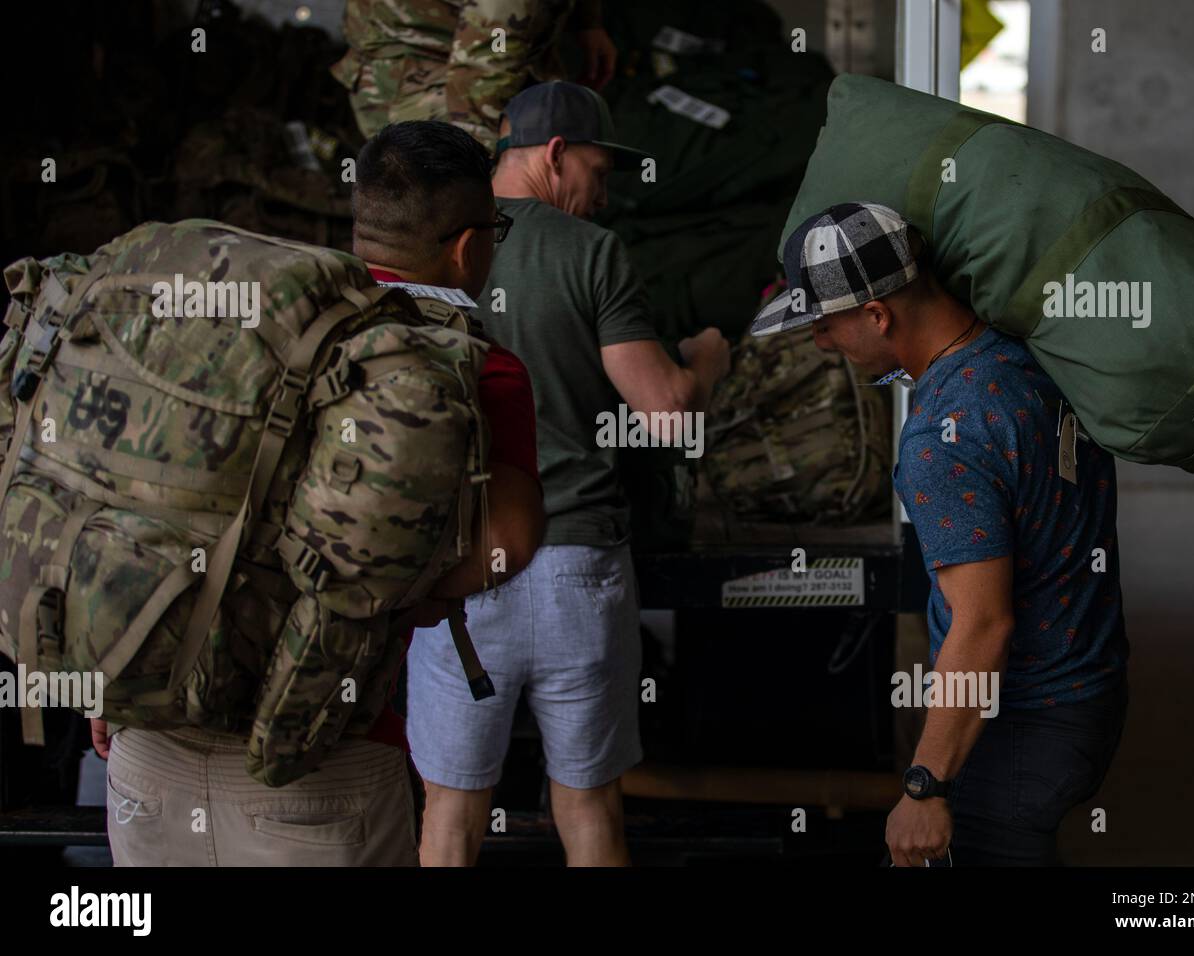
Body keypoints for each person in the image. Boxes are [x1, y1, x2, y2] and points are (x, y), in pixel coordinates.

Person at [94, 120, 546, 867]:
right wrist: (404, 585)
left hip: (149, 744)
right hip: (316, 763)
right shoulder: (470, 367)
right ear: (468, 246)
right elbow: (508, 544)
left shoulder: (245, 328)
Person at [406, 81, 731, 866]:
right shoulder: (593, 252)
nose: (604, 189)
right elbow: (666, 411)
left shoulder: (428, 245)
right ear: (554, 154)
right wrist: (708, 358)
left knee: (450, 816)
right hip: (575, 569)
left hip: (459, 576)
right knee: (588, 809)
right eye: (599, 168)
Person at [749, 202, 1129, 866]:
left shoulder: (942, 440)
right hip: (1089, 686)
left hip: (1025, 718)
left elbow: (982, 625)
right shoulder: (1025, 356)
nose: (819, 343)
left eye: (825, 324)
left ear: (877, 315)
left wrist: (926, 786)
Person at [332, 0, 617, 148]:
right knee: (449, 187)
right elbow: (479, 87)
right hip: (404, 73)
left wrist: (587, 22)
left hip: (481, 44)